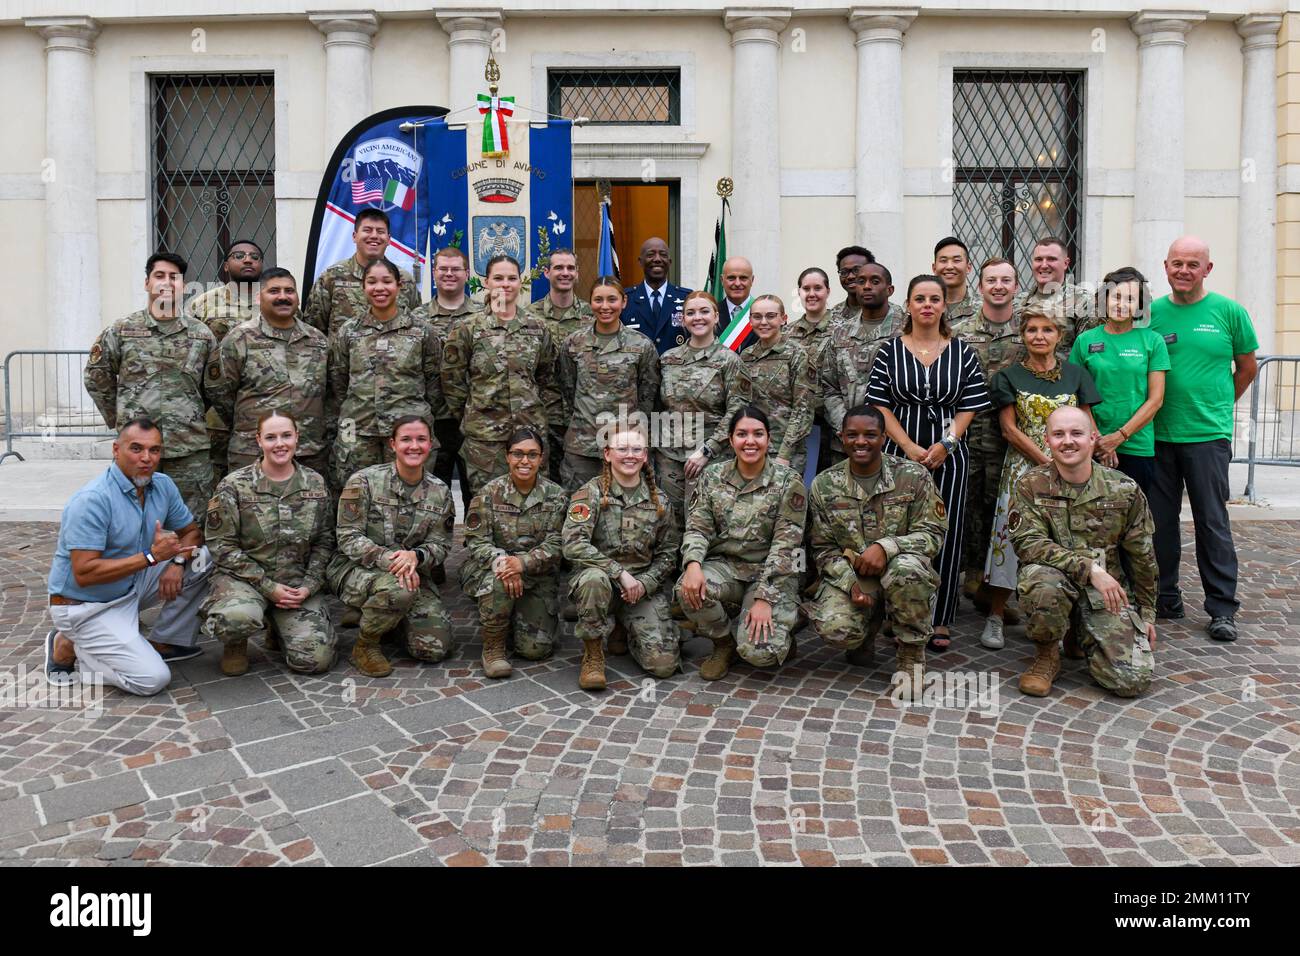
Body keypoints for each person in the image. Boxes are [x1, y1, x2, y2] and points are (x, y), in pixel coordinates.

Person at [867, 274, 991, 649]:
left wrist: (947, 443)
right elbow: (879, 404)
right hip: (898, 454)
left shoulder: (963, 351)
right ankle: (898, 611)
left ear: (943, 305)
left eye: (934, 299)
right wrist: (906, 447)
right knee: (897, 529)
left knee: (946, 532)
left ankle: (939, 617)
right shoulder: (889, 350)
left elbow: (970, 404)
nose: (927, 305)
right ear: (908, 304)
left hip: (948, 455)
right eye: (919, 298)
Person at [45, 417, 212, 695]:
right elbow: (84, 574)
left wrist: (177, 563)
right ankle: (70, 645)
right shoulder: (92, 500)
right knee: (152, 679)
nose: (147, 458)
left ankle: (165, 641)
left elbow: (192, 532)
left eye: (155, 450)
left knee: (204, 558)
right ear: (115, 450)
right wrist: (151, 557)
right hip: (85, 605)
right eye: (136, 449)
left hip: (129, 587)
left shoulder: (162, 485)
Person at [1147, 236, 1259, 642]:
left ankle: (1221, 607)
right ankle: (1165, 595)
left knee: (1212, 521)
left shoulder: (1229, 312)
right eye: (1177, 263)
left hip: (1208, 435)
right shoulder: (1151, 314)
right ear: (1166, 266)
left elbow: (1247, 367)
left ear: (1207, 269)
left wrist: (1219, 403)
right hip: (1157, 435)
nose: (1184, 270)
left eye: (1193, 264)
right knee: (1160, 523)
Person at [1009, 406, 1157, 698]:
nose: (1068, 441)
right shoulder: (1030, 485)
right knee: (1040, 579)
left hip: (1107, 593)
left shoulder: (1123, 489)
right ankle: (1047, 654)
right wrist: (1089, 568)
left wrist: (1147, 612)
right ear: (1047, 440)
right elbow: (1028, 543)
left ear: (1092, 438)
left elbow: (1143, 554)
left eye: (1076, 433)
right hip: (1055, 581)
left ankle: (1081, 634)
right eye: (1058, 434)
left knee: (1132, 681)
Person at [980, 307, 1102, 649]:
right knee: (1009, 537)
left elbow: (1088, 423)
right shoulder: (1008, 377)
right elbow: (1008, 429)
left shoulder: (1076, 375)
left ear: (1059, 337)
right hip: (1024, 470)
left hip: (1073, 470)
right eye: (1032, 330)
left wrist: (1092, 455)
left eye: (1047, 330)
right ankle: (997, 615)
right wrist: (1048, 463)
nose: (1039, 336)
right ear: (1023, 335)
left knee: (1067, 538)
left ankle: (1066, 619)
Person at [806, 406, 944, 693]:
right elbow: (823, 548)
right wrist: (850, 584)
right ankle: (865, 632)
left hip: (901, 573)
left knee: (906, 569)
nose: (861, 442)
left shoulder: (913, 476)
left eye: (870, 434)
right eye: (852, 435)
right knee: (837, 629)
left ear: (883, 438)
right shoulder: (824, 485)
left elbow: (933, 534)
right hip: (855, 576)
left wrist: (887, 546)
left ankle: (910, 657)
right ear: (841, 437)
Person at [85, 252, 217, 521]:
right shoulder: (122, 330)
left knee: (191, 523)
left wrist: (191, 414)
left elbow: (216, 386)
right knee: (128, 516)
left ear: (183, 285)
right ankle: (134, 563)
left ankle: (184, 564)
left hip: (188, 450)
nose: (166, 283)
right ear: (147, 283)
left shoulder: (201, 334)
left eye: (174, 277)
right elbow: (97, 377)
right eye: (159, 276)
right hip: (135, 448)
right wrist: (121, 420)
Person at [202, 411, 335, 677]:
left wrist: (310, 586)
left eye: (286, 435)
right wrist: (267, 587)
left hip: (296, 584)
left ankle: (279, 627)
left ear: (297, 438)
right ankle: (236, 642)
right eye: (271, 437)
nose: (280, 444)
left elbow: (325, 541)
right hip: (245, 581)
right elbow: (222, 547)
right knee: (236, 618)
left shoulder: (316, 484)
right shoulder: (234, 486)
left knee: (314, 661)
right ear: (258, 440)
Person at [677, 406, 806, 680]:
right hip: (726, 567)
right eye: (742, 434)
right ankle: (724, 644)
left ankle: (791, 617)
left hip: (770, 573)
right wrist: (692, 564)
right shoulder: (712, 476)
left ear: (769, 439)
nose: (750, 441)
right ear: (731, 439)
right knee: (686, 588)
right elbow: (697, 527)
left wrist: (764, 598)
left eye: (758, 434)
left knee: (761, 653)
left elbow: (787, 546)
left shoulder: (788, 482)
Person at [327, 416, 456, 677]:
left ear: (430, 445)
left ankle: (391, 621)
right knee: (398, 590)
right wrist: (392, 560)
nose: (414, 446)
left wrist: (416, 556)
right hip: (357, 570)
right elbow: (348, 536)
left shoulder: (439, 491)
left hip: (412, 574)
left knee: (433, 648)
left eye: (421, 439)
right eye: (406, 439)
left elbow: (441, 544)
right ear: (392, 444)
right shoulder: (364, 482)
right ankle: (365, 646)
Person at [563, 427, 682, 689]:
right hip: (600, 583)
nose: (630, 455)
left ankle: (626, 629)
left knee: (663, 666)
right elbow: (572, 544)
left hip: (640, 589)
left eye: (636, 449)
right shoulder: (590, 494)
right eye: (622, 449)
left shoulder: (659, 501)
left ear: (645, 456)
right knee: (594, 579)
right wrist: (619, 573)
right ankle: (593, 653)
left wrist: (646, 583)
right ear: (607, 454)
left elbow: (669, 553)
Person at [442, 255, 564, 496]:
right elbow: (451, 381)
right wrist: (474, 413)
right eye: (498, 278)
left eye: (512, 278)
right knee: (486, 502)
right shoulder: (468, 328)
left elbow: (548, 379)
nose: (505, 284)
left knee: (534, 502)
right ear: (486, 282)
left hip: (530, 434)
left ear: (521, 283)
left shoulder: (537, 328)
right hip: (485, 439)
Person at [326, 258, 443, 490]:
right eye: (372, 282)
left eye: (387, 281)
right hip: (356, 428)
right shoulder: (349, 331)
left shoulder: (421, 330)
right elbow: (338, 380)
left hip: (407, 430)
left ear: (399, 286)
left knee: (409, 492)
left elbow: (434, 382)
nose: (379, 288)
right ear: (363, 287)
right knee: (354, 491)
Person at [461, 428, 567, 679]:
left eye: (532, 455)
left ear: (541, 459)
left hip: (536, 574)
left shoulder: (556, 496)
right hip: (494, 570)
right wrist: (504, 563)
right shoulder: (488, 493)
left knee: (535, 650)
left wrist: (523, 562)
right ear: (507, 456)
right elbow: (476, 540)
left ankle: (515, 617)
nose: (525, 461)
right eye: (518, 454)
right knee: (499, 582)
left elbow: (558, 542)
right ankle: (493, 647)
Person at [205, 267, 330, 475]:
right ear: (258, 297)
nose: (283, 297)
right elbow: (218, 392)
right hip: (252, 452)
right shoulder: (239, 339)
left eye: (289, 291)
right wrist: (248, 422)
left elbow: (332, 391)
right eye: (274, 291)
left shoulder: (318, 341)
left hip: (309, 451)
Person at [952, 257, 1023, 609]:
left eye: (1005, 280)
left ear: (1016, 286)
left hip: (1008, 437)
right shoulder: (958, 331)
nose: (998, 286)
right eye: (991, 279)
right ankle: (963, 579)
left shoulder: (1029, 331)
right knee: (963, 508)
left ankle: (997, 589)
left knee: (1001, 507)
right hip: (965, 433)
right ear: (979, 286)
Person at [655, 290, 753, 523]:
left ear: (716, 317)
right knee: (669, 523)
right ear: (683, 319)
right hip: (669, 457)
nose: (697, 317)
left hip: (711, 457)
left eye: (704, 311)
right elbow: (658, 407)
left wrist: (707, 450)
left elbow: (737, 412)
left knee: (707, 522)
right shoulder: (668, 359)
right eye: (691, 313)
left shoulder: (729, 361)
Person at [1069, 266, 1169, 493]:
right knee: (1091, 519)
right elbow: (1078, 395)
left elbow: (1156, 400)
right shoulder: (1085, 341)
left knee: (1133, 521)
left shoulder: (1153, 341)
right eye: (1116, 296)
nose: (1121, 304)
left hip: (1137, 446)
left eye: (1131, 298)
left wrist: (1119, 437)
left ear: (1140, 305)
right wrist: (1099, 440)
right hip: (1092, 444)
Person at [557, 276, 660, 491]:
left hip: (625, 448)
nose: (605, 306)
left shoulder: (641, 345)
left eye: (612, 299)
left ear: (624, 302)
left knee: (623, 510)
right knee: (579, 510)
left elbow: (647, 397)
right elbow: (567, 390)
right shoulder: (573, 343)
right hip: (582, 449)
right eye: (598, 300)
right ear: (590, 303)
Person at [186, 238, 265, 477]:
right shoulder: (204, 303)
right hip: (215, 415)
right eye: (239, 256)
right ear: (226, 266)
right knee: (215, 478)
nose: (248, 259)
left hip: (262, 406)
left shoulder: (276, 300)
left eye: (254, 256)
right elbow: (190, 357)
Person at [821, 262, 906, 462]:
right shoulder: (840, 332)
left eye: (874, 281)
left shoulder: (907, 329)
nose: (867, 286)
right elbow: (828, 387)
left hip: (895, 443)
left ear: (890, 289)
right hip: (847, 445)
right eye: (861, 282)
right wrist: (847, 427)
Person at [528, 248, 595, 482]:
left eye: (570, 268)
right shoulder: (529, 317)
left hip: (583, 418)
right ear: (546, 273)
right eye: (558, 267)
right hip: (543, 416)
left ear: (577, 273)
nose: (564, 273)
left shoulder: (593, 316)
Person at [303, 208, 421, 337]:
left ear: (389, 240)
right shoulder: (332, 277)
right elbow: (312, 331)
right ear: (354, 236)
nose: (374, 236)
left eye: (380, 231)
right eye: (367, 230)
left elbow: (417, 326)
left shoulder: (404, 279)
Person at [425, 246, 478, 517]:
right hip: (433, 420)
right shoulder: (417, 319)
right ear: (433, 273)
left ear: (467, 274)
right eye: (442, 269)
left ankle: (475, 550)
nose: (449, 274)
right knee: (433, 490)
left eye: (455, 269)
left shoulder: (482, 318)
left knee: (475, 492)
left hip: (473, 419)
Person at [739, 295, 813, 474]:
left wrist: (784, 454)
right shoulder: (746, 356)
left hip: (786, 452)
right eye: (757, 316)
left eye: (770, 316)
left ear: (783, 319)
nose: (763, 322)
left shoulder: (797, 355)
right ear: (750, 321)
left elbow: (803, 410)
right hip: (752, 448)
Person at [786, 267, 839, 477]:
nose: (812, 294)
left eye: (818, 288)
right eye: (806, 288)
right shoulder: (787, 333)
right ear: (799, 292)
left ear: (828, 291)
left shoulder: (844, 330)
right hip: (798, 428)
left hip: (832, 427)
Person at [1014, 235, 1097, 359]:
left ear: (1065, 263)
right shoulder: (1017, 302)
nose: (1044, 265)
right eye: (1038, 259)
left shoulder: (1083, 301)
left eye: (1051, 259)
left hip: (1064, 376)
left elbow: (1088, 352)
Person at [621, 237, 693, 354]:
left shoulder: (686, 298)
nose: (657, 259)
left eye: (663, 255)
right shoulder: (626, 299)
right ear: (640, 261)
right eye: (650, 255)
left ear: (669, 262)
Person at [932, 236, 981, 327]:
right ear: (934, 268)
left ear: (968, 267)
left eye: (956, 260)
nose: (949, 266)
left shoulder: (985, 309)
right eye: (943, 261)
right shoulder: (922, 308)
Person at [718, 256, 757, 351]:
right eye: (731, 278)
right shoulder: (710, 314)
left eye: (743, 278)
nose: (737, 283)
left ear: (752, 280)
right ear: (722, 280)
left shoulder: (766, 314)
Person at [828, 246, 875, 324]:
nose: (850, 277)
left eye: (857, 270)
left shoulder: (893, 313)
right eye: (844, 272)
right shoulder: (831, 315)